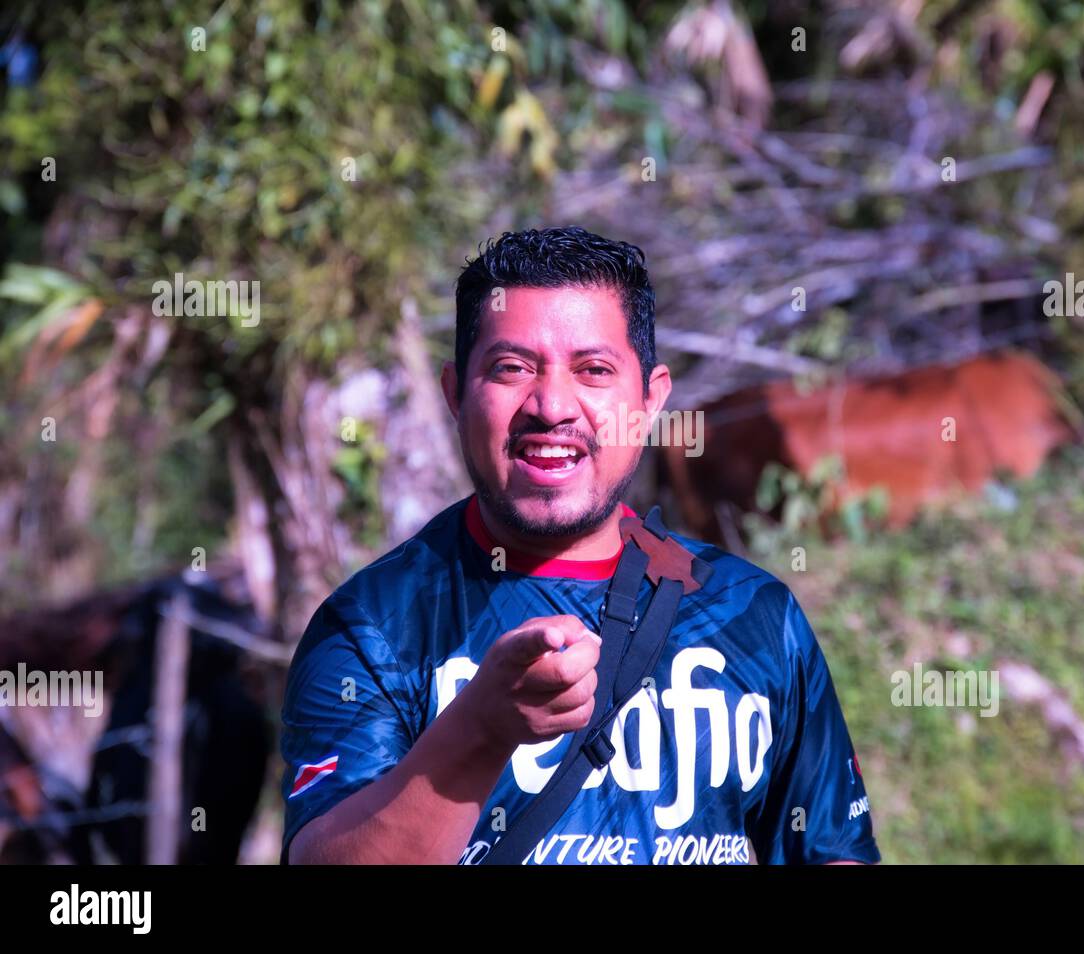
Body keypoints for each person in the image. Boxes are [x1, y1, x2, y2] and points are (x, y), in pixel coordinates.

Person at [280, 226, 881, 865]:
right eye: (511, 368)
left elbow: (832, 851)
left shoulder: (757, 615)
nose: (552, 405)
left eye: (594, 370)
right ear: (455, 394)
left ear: (651, 400)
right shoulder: (372, 625)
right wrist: (480, 728)